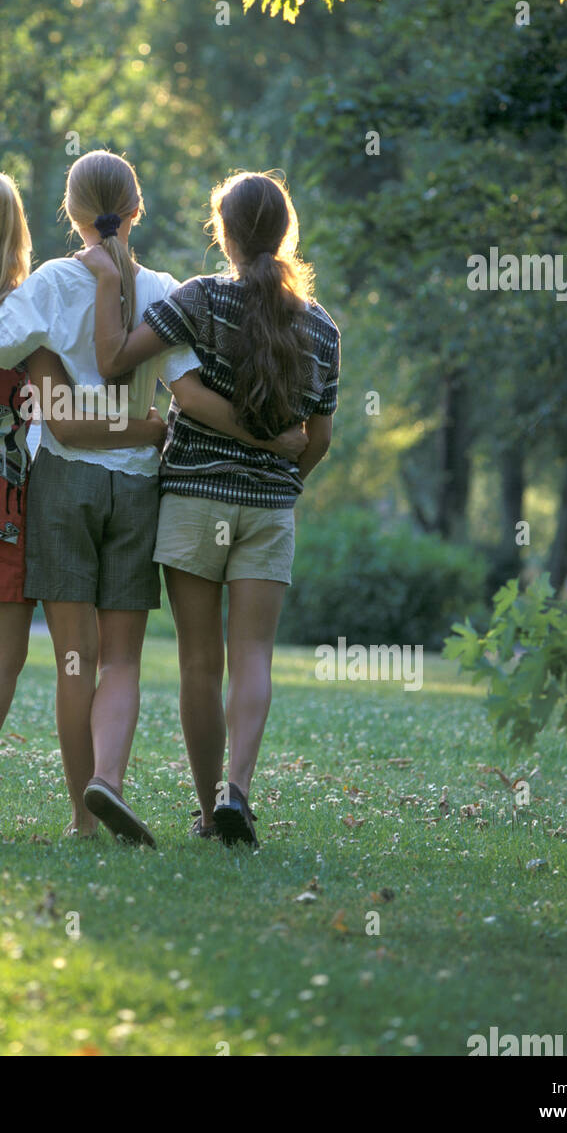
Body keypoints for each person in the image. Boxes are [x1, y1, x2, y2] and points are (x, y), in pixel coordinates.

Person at [0, 151, 305, 846]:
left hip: (63, 485)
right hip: (139, 487)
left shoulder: (51, 282)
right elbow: (186, 391)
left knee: (73, 658)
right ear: (136, 210)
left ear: (72, 215)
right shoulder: (167, 289)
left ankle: (83, 817)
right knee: (122, 659)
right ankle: (107, 778)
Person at [83, 170, 339, 847]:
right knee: (253, 652)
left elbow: (114, 363)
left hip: (195, 497)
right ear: (286, 234)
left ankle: (206, 810)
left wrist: (109, 284)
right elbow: (319, 440)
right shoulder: (322, 329)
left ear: (222, 234)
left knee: (201, 661)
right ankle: (239, 793)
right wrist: (284, 480)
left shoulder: (197, 301)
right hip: (268, 509)